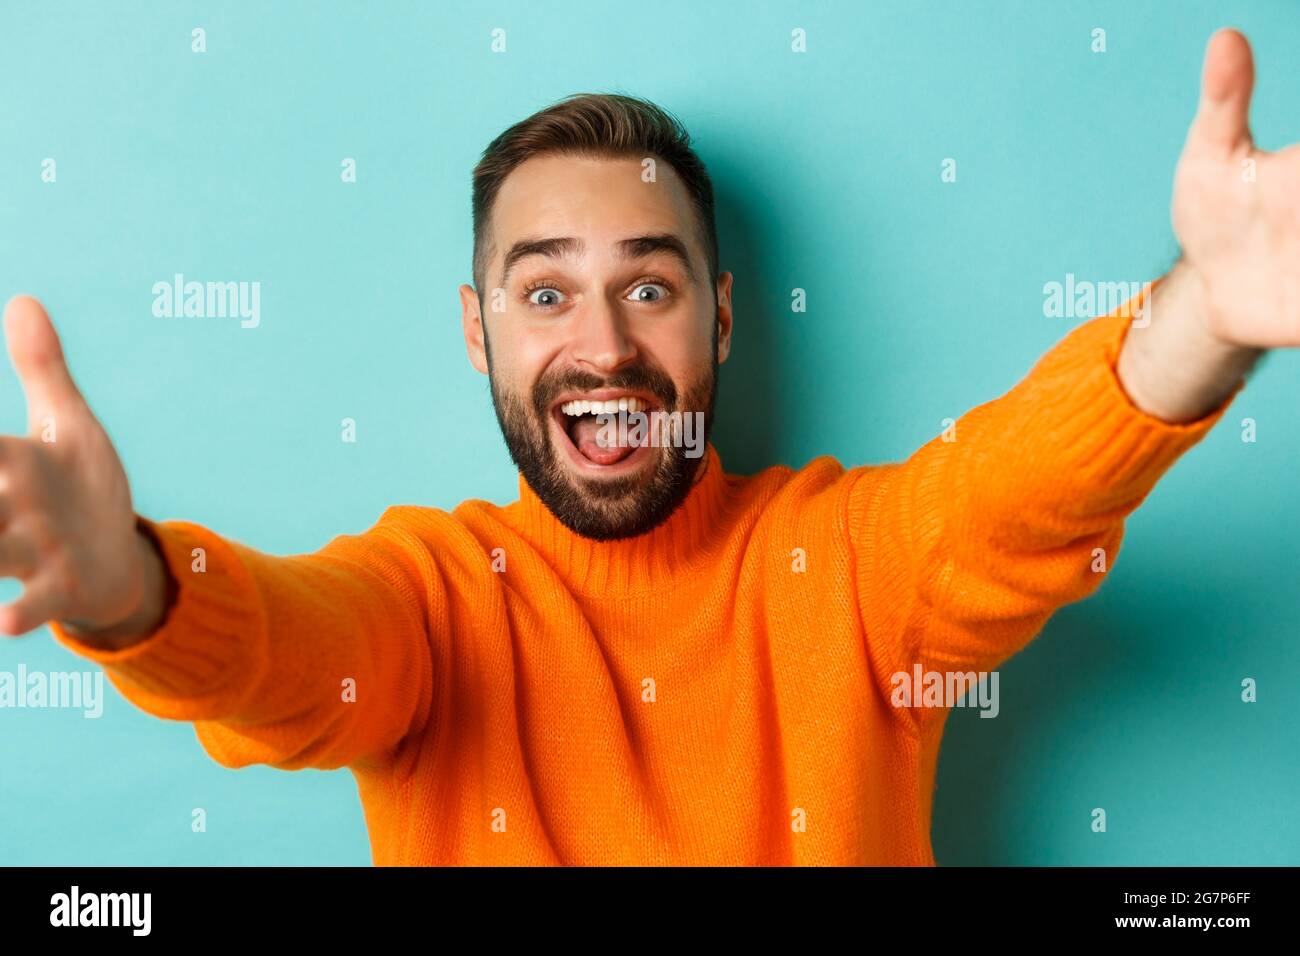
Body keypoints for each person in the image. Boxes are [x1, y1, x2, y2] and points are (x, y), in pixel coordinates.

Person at [1, 29, 1288, 865]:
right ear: (478, 332)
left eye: (652, 287)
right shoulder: (432, 601)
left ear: (722, 319)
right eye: (545, 292)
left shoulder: (842, 567)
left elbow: (1012, 491)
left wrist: (1206, 318)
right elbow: (286, 653)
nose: (605, 345)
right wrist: (130, 592)